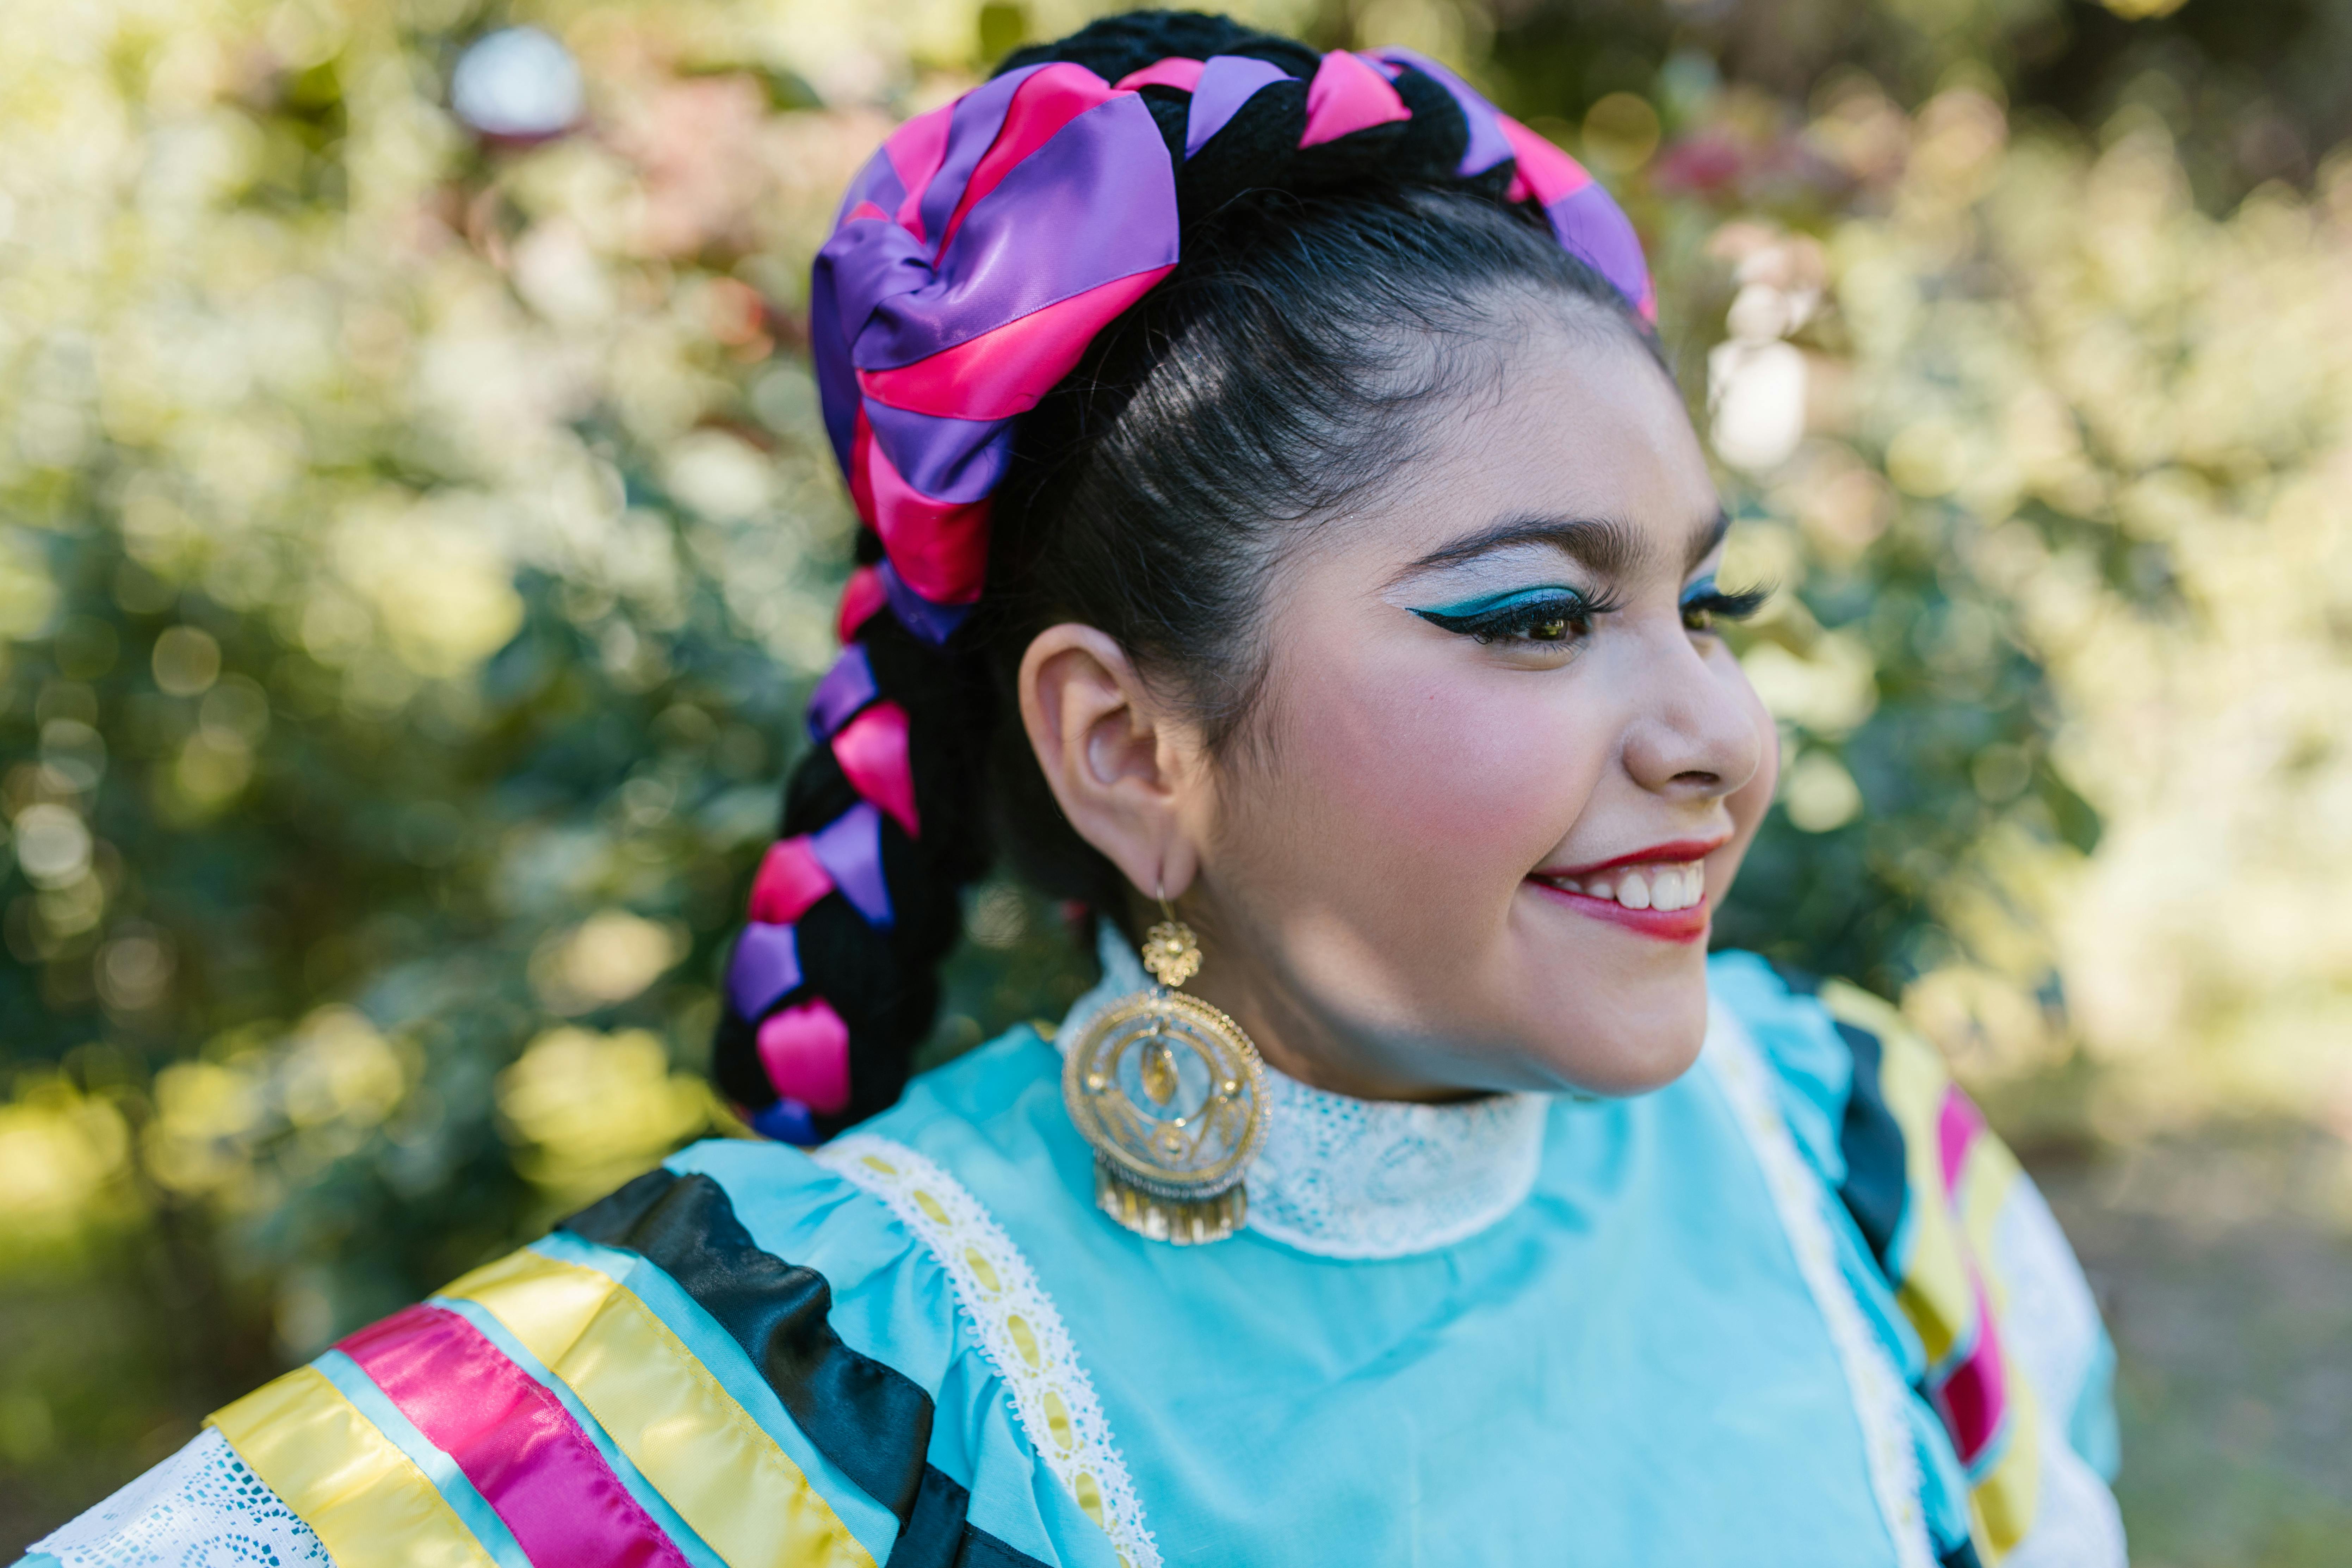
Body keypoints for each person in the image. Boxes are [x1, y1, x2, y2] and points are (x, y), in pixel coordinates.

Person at [21, 12, 2123, 1567]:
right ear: (1128, 748)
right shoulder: (838, 1373)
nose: (1714, 733)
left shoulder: (1853, 1166)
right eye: (1529, 618)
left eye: (1705, 601)